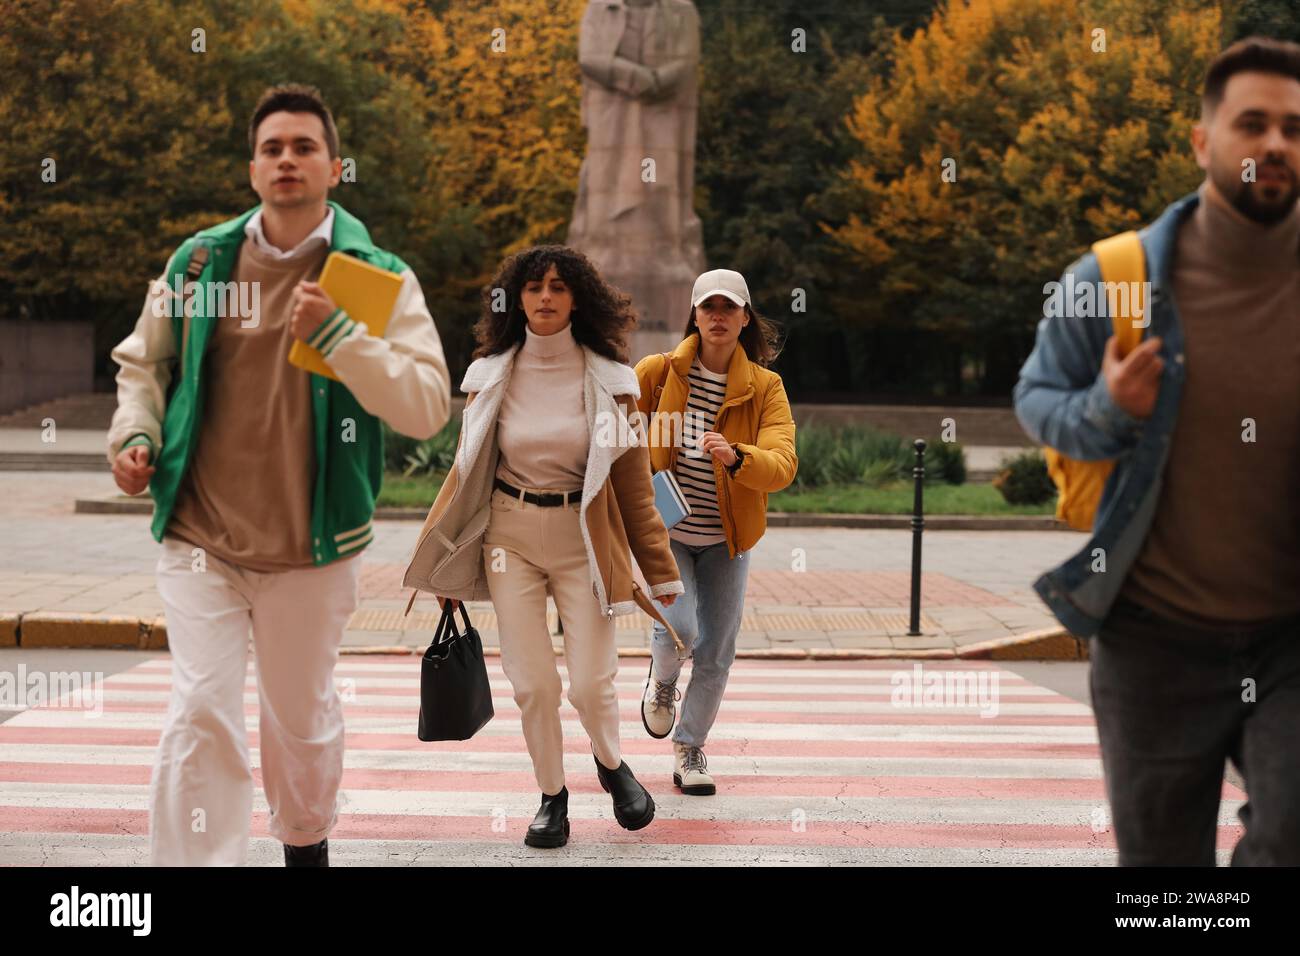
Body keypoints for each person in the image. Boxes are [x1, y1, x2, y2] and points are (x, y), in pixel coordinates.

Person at [108, 84, 451, 866]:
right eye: (272, 148)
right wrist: (136, 432)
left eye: (303, 147)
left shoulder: (374, 274)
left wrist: (338, 335)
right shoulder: (200, 261)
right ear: (252, 168)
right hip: (202, 538)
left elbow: (428, 405)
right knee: (201, 710)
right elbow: (144, 363)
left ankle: (305, 844)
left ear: (335, 166)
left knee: (299, 721)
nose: (287, 159)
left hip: (312, 546)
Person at [1013, 38, 1300, 866]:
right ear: (1204, 142)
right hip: (1154, 637)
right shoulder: (1115, 277)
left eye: (1293, 126)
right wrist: (1107, 409)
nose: (1275, 145)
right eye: (1253, 123)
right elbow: (1036, 399)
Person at [404, 245, 684, 849]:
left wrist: (659, 571)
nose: (546, 297)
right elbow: (464, 476)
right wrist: (444, 567)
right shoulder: (490, 375)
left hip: (582, 539)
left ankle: (611, 765)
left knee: (589, 683)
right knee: (532, 683)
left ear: (578, 297)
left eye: (559, 287)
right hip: (509, 537)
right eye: (534, 287)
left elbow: (635, 488)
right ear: (517, 298)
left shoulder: (612, 381)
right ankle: (552, 797)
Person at [633, 269, 797, 795]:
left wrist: (738, 456)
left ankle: (690, 748)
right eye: (709, 307)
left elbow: (782, 462)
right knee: (681, 628)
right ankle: (661, 683)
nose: (719, 316)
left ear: (746, 317)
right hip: (669, 531)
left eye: (730, 307)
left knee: (717, 650)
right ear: (695, 315)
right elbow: (614, 436)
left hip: (729, 540)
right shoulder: (658, 374)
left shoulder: (765, 388)